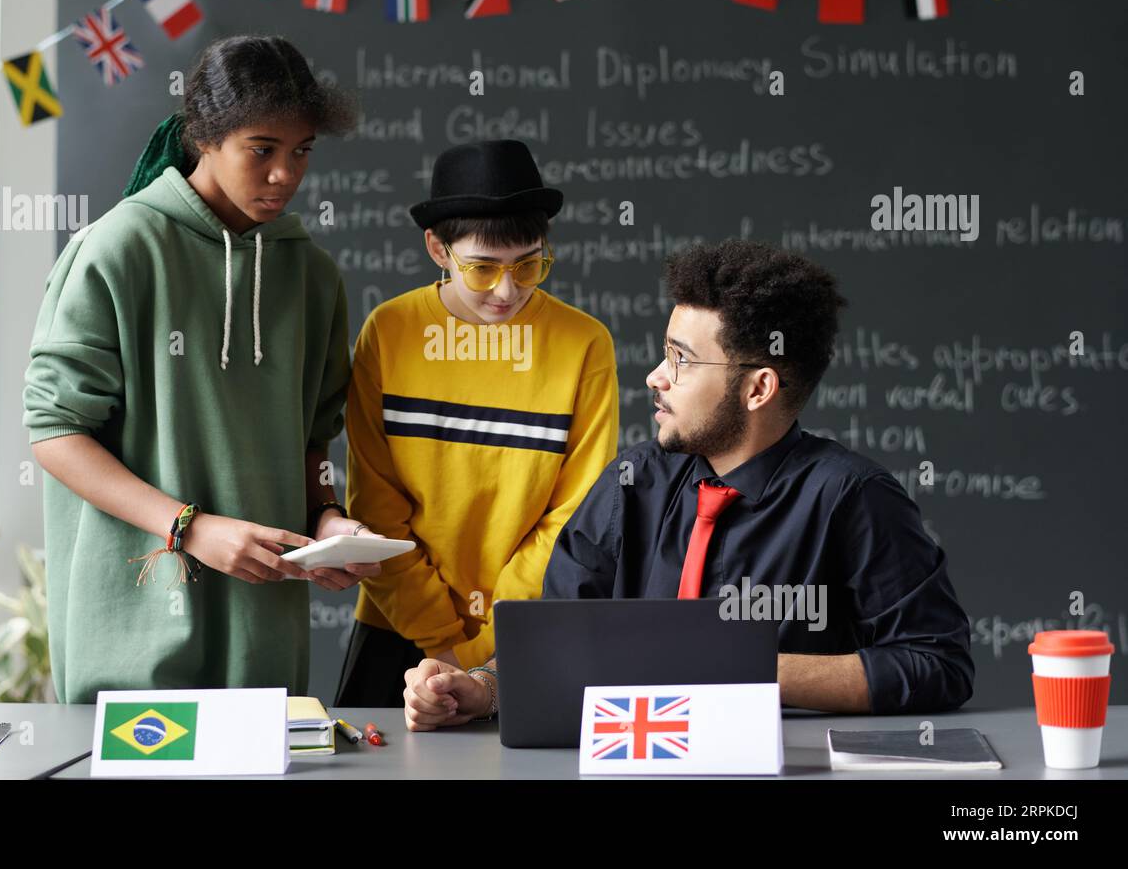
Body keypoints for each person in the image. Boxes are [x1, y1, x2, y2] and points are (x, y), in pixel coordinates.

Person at [402, 239, 974, 728]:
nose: (655, 377)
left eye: (681, 360)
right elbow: (557, 635)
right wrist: (482, 688)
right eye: (664, 353)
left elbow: (937, 664)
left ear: (758, 389)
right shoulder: (632, 481)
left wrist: (741, 669)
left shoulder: (853, 498)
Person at [24, 34, 380, 704]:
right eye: (262, 150)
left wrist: (328, 518)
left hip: (264, 634)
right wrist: (191, 528)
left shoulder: (312, 276)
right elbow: (55, 434)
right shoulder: (117, 249)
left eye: (301, 150)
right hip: (131, 635)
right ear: (205, 137)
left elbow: (313, 441)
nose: (286, 175)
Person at [335, 140, 620, 707]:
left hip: (530, 631)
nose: (508, 290)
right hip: (398, 629)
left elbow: (575, 514)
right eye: (483, 268)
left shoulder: (584, 343)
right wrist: (439, 640)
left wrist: (481, 651)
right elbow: (375, 504)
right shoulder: (389, 331)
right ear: (438, 249)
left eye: (529, 264)